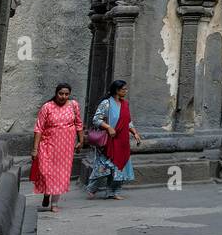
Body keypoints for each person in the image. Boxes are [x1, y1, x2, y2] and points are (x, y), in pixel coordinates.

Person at [87, 80, 142, 200]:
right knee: (104, 166)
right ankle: (92, 188)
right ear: (117, 90)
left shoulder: (125, 104)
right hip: (109, 141)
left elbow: (128, 121)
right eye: (124, 89)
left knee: (120, 166)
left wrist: (135, 133)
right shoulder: (106, 103)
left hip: (122, 141)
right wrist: (108, 127)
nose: (126, 91)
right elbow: (96, 119)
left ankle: (113, 191)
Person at [32, 83, 83, 211]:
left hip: (66, 146)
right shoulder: (47, 107)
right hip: (48, 144)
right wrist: (35, 148)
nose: (63, 96)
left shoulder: (73, 105)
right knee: (45, 171)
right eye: (61, 94)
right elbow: (38, 128)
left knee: (61, 174)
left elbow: (78, 123)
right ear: (56, 93)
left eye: (66, 94)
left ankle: (54, 203)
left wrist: (81, 141)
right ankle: (46, 193)